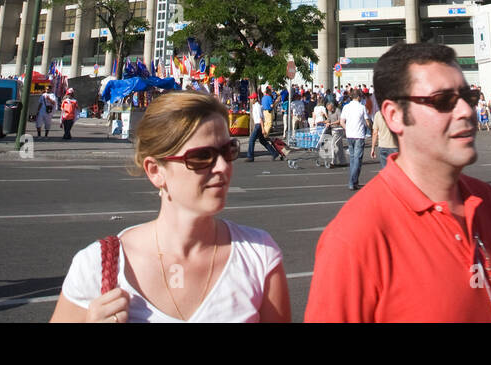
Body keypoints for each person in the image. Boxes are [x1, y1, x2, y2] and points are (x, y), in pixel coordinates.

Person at [304, 43, 491, 323]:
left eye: (469, 96)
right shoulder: (356, 236)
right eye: (442, 101)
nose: (465, 111)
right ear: (394, 115)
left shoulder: (487, 201)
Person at [51, 92, 289, 323]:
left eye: (228, 151)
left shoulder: (259, 256)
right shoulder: (97, 266)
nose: (222, 167)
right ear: (155, 171)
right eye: (202, 156)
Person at [341, 89, 368, 190]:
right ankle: (352, 181)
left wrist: (347, 129)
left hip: (350, 135)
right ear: (358, 97)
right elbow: (367, 120)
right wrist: (370, 126)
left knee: (352, 159)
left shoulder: (346, 107)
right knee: (357, 159)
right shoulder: (362, 107)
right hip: (359, 135)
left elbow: (342, 121)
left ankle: (354, 181)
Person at [245, 95, 281, 162]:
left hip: (258, 125)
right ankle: (274, 153)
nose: (250, 100)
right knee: (263, 141)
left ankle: (250, 156)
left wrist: (262, 128)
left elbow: (260, 118)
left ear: (255, 99)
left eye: (251, 98)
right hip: (257, 125)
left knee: (251, 140)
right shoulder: (255, 106)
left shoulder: (257, 106)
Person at [370, 97, 397, 166]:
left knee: (385, 169)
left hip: (383, 145)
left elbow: (375, 133)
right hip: (394, 145)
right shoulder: (396, 114)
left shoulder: (378, 114)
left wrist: (373, 148)